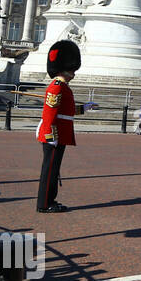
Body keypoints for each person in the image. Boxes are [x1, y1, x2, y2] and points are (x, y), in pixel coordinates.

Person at [35, 40, 98, 213]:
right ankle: (44, 204)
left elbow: (66, 111)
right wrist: (50, 135)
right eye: (72, 70)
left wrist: (84, 108)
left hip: (59, 132)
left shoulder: (62, 87)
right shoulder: (56, 87)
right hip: (54, 134)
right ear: (65, 68)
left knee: (54, 170)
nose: (73, 73)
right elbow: (49, 114)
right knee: (50, 171)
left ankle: (49, 200)